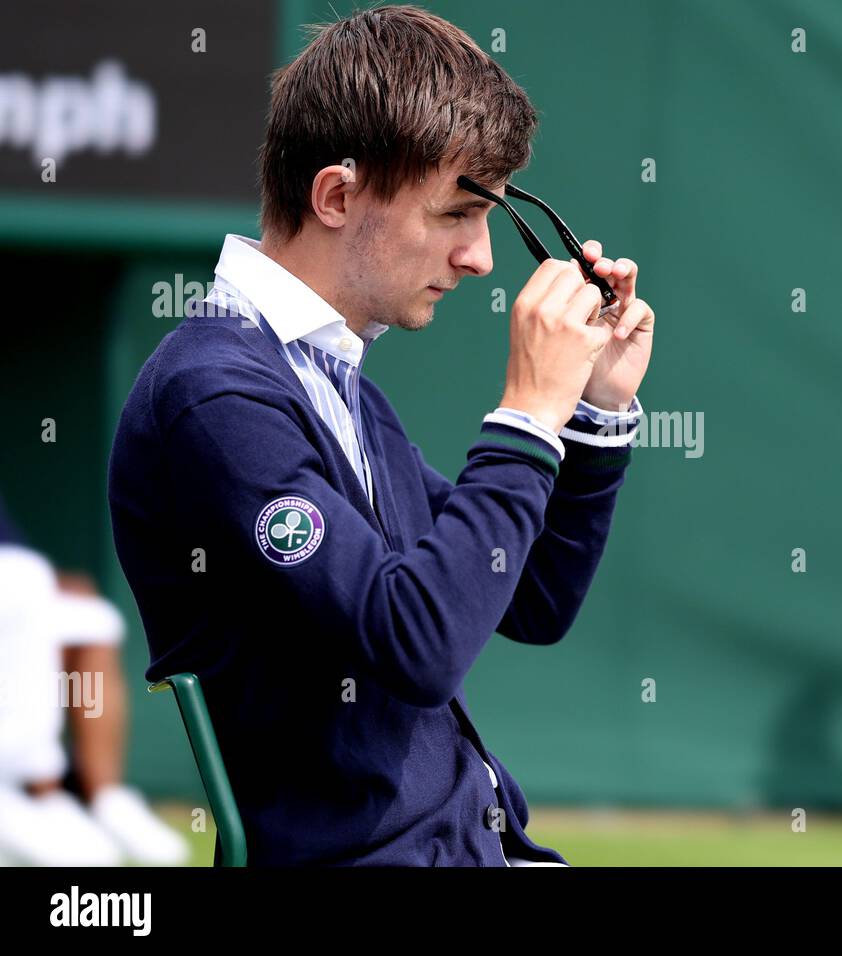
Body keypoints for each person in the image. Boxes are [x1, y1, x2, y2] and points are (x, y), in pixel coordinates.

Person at [108, 5, 653, 866]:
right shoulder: (214, 397)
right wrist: (525, 416)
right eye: (453, 215)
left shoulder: (332, 385)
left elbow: (533, 598)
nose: (480, 257)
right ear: (336, 196)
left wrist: (592, 412)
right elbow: (419, 644)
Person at [0, 494, 188, 865]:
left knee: (90, 617)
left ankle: (105, 797)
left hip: (19, 572)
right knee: (22, 592)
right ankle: (33, 792)